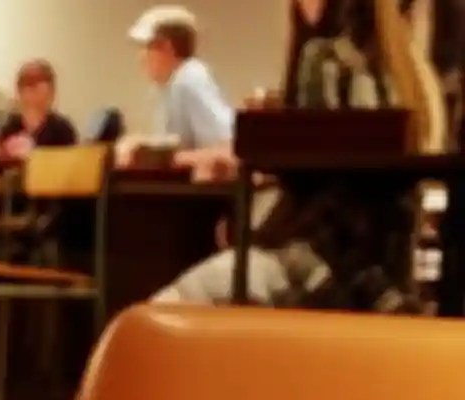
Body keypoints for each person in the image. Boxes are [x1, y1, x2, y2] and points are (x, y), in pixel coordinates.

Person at [153, 0, 434, 312]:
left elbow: (329, 216)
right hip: (379, 280)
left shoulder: (325, 59)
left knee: (159, 317)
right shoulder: (408, 65)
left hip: (326, 270)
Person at [123, 5, 234, 160]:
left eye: (146, 47)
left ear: (166, 47)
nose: (141, 58)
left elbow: (225, 147)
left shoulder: (190, 78)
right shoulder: (171, 85)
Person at [0, 59, 79, 159]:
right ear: (18, 92)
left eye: (38, 82)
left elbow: (68, 168)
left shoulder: (62, 130)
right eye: (27, 83)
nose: (32, 89)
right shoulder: (7, 127)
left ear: (52, 92)